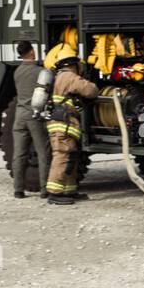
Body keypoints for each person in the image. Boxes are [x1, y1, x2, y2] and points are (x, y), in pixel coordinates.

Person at [43, 54, 98, 204]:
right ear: (74, 65)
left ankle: (69, 191)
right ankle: (54, 193)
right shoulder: (68, 77)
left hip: (64, 124)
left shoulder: (57, 76)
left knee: (71, 157)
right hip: (63, 125)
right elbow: (90, 90)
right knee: (62, 156)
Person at [10, 40, 49, 199]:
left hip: (19, 116)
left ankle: (18, 189)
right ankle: (44, 189)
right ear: (32, 52)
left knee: (19, 154)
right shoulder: (40, 71)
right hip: (34, 116)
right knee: (43, 152)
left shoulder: (17, 71)